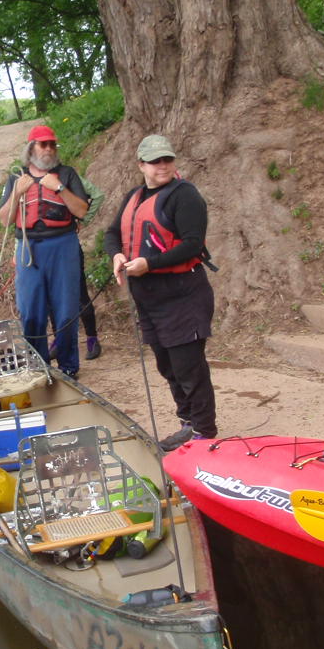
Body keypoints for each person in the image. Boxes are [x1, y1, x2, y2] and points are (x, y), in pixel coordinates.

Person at [104, 134, 217, 449]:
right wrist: (117, 255)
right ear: (141, 164)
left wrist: (149, 264)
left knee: (188, 367)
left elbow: (193, 244)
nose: (163, 166)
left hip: (184, 296)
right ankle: (188, 423)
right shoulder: (134, 196)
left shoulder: (185, 195)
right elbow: (113, 233)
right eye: (155, 161)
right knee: (167, 366)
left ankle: (205, 434)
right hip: (150, 301)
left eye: (167, 159)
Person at [0, 124, 90, 378]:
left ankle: (69, 366)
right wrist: (17, 192)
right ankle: (38, 366)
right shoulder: (16, 177)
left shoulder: (67, 174)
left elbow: (81, 211)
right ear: (31, 148)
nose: (48, 149)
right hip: (28, 249)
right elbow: (5, 220)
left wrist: (58, 187)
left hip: (63, 246)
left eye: (51, 144)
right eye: (42, 144)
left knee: (66, 310)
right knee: (31, 310)